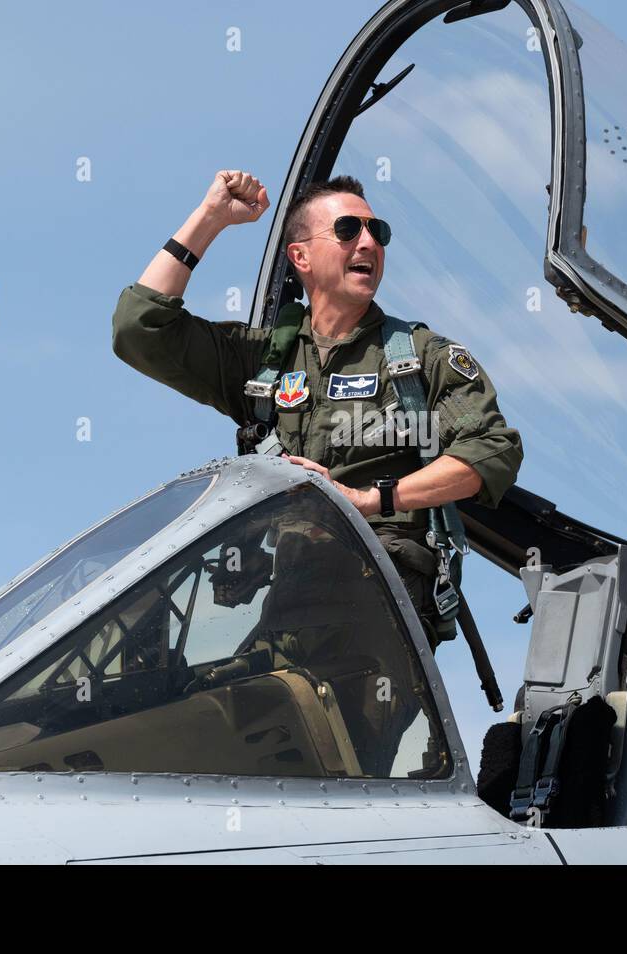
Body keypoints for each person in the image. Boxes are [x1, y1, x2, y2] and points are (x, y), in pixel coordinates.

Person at [111, 169, 522, 649]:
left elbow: (492, 451)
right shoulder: (264, 360)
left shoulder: (420, 358)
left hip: (382, 608)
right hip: (287, 607)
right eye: (348, 230)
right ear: (300, 257)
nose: (368, 243)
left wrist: (371, 499)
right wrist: (211, 218)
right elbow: (139, 328)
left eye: (377, 231)